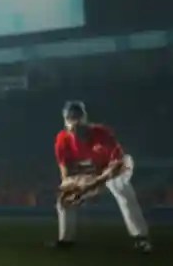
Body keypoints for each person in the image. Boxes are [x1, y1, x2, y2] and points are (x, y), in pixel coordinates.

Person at [51, 101, 152, 253]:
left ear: (85, 118)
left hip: (118, 167)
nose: (76, 121)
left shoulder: (101, 133)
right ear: (66, 121)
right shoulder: (62, 139)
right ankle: (66, 240)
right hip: (91, 172)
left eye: (78, 116)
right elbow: (65, 172)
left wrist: (91, 186)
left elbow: (114, 167)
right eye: (71, 117)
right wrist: (74, 189)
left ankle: (140, 238)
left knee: (120, 187)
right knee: (64, 198)